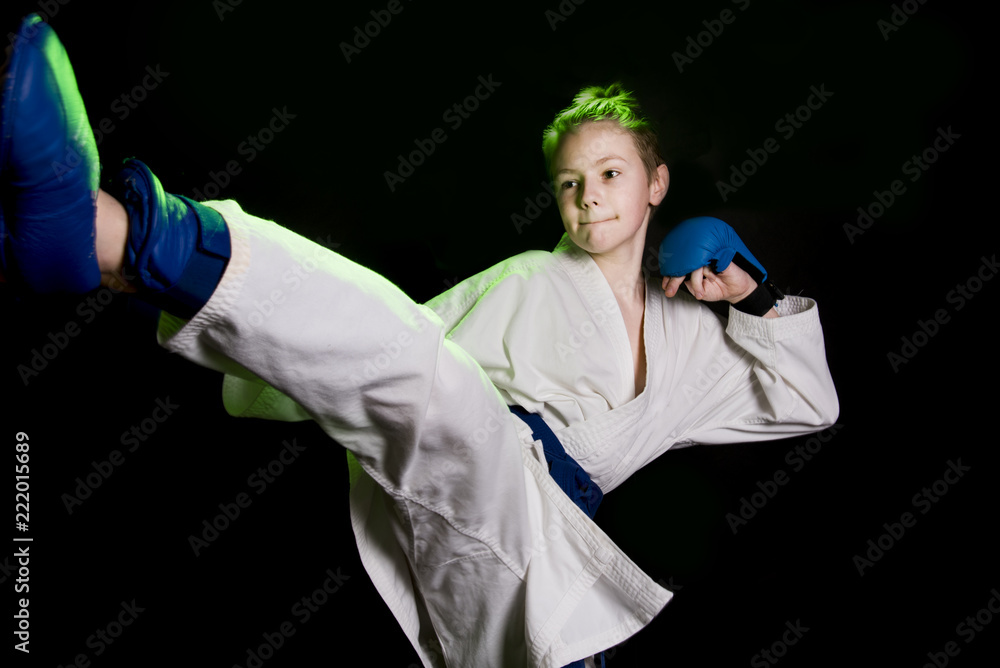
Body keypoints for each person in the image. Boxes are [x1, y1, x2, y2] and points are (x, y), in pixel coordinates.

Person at [1, 14, 838, 668]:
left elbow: (809, 404)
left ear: (657, 185)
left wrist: (751, 294)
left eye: (612, 174)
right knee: (416, 363)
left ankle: (116, 251)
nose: (588, 198)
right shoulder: (525, 281)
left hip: (554, 545)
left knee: (556, 656)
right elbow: (384, 347)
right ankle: (115, 234)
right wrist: (152, 287)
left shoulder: (697, 339)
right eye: (569, 182)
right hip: (479, 459)